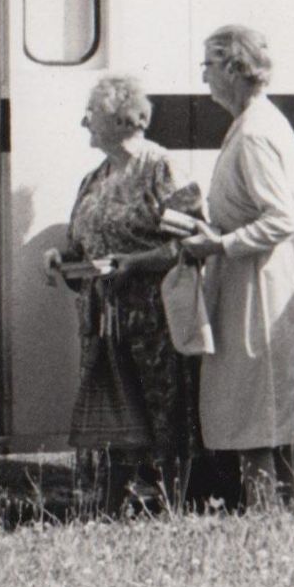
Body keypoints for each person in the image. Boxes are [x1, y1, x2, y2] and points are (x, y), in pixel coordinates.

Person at [178, 25, 294, 509]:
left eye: (209, 66)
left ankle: (268, 512)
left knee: (256, 398)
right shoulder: (256, 123)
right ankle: (278, 506)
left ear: (235, 68)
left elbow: (281, 216)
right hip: (253, 275)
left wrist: (220, 244)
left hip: (259, 279)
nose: (204, 77)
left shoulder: (256, 132)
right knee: (258, 397)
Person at [45, 73, 198, 507]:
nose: (83, 122)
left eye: (91, 114)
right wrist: (62, 260)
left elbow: (190, 241)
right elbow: (80, 243)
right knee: (110, 412)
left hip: (151, 315)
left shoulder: (161, 168)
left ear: (120, 118)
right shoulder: (95, 177)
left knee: (161, 410)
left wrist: (137, 264)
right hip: (102, 319)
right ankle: (110, 507)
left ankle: (172, 504)